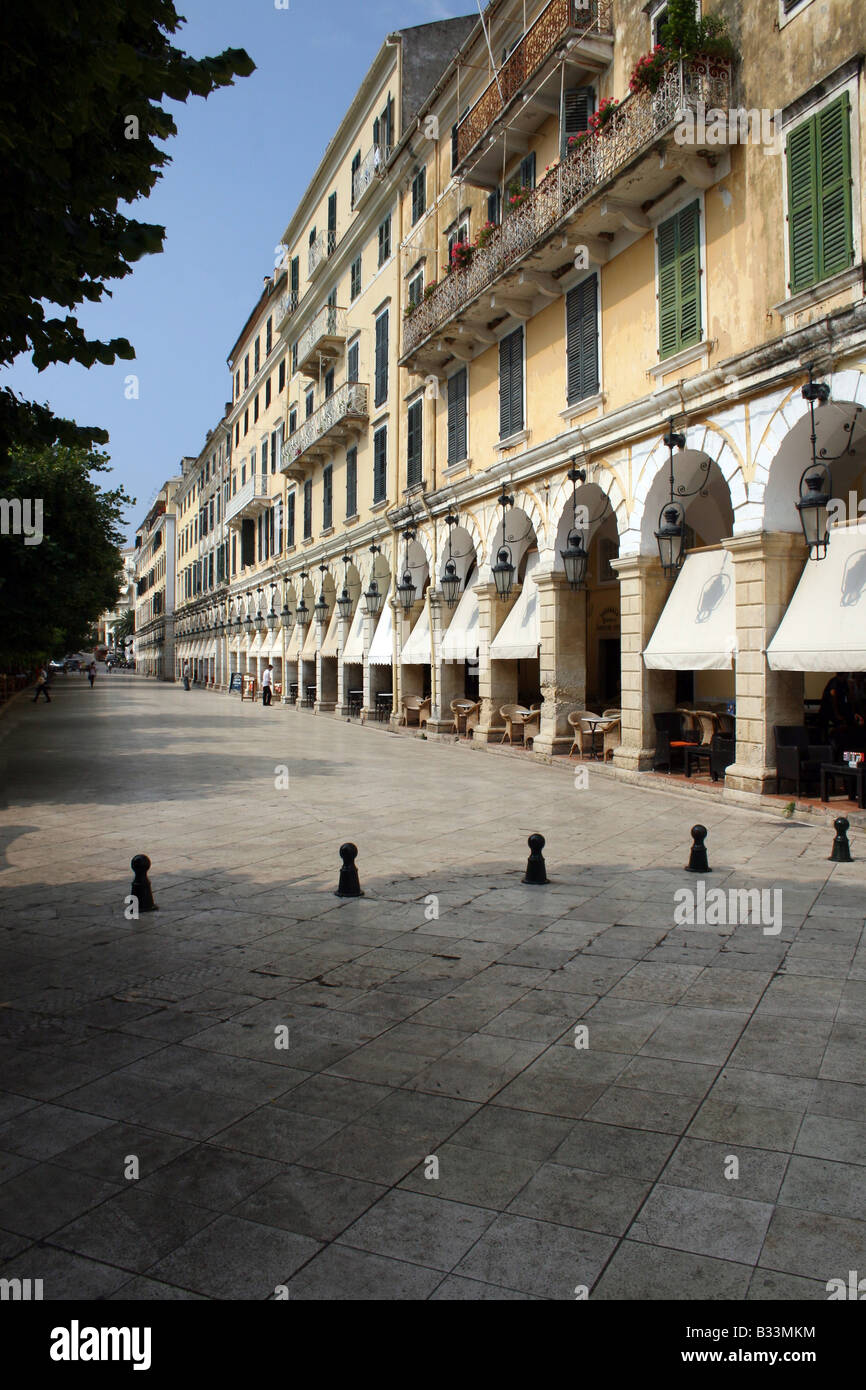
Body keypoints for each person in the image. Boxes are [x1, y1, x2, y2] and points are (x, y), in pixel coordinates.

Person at [820, 672, 865, 758]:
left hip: (842, 710)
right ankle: (835, 743)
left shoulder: (844, 683)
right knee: (842, 724)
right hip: (829, 711)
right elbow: (833, 698)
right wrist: (837, 714)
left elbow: (850, 698)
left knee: (853, 724)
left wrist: (853, 713)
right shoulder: (834, 682)